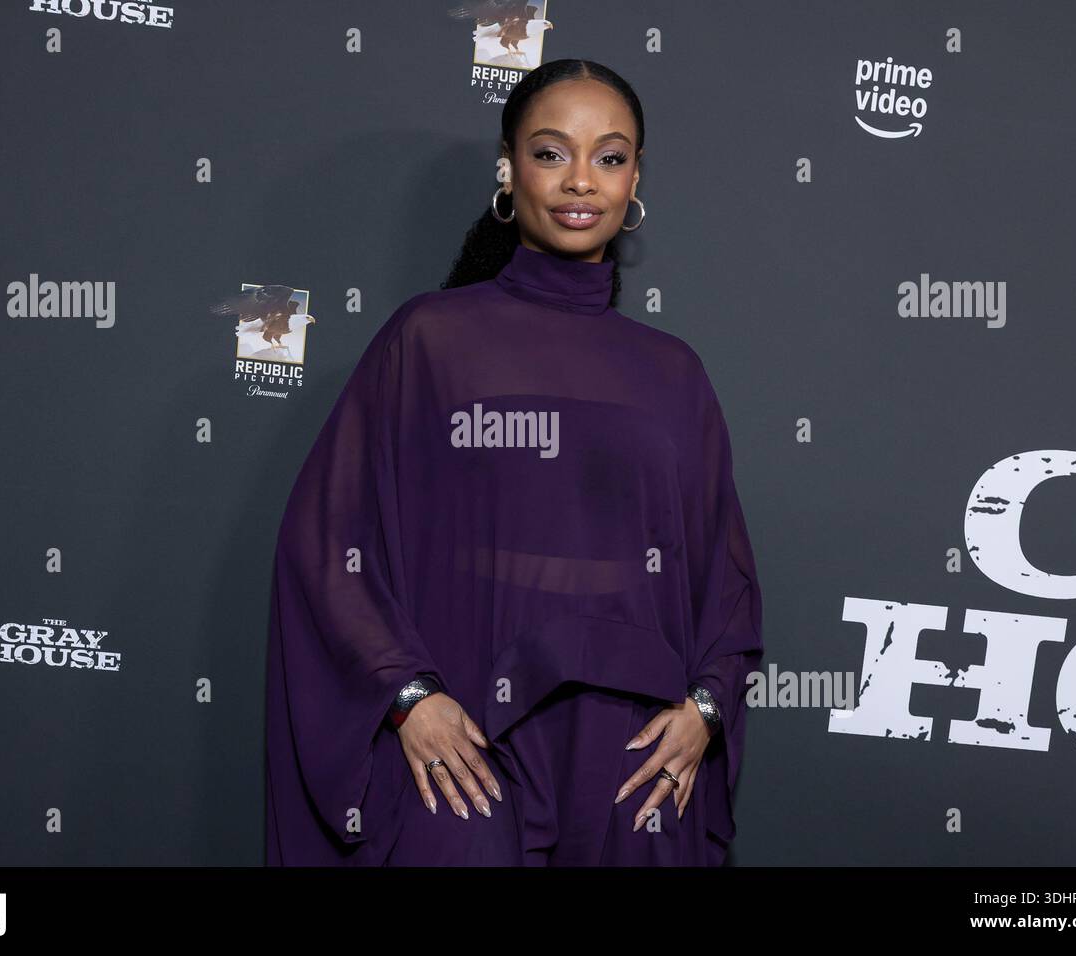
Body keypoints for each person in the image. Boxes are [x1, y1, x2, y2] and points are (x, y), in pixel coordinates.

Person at [265, 58, 763, 866]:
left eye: (609, 156)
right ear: (507, 169)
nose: (581, 181)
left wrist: (707, 709)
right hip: (465, 746)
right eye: (549, 152)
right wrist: (408, 697)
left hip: (629, 761)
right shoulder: (428, 339)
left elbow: (727, 579)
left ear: (635, 178)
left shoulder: (673, 373)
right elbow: (327, 545)